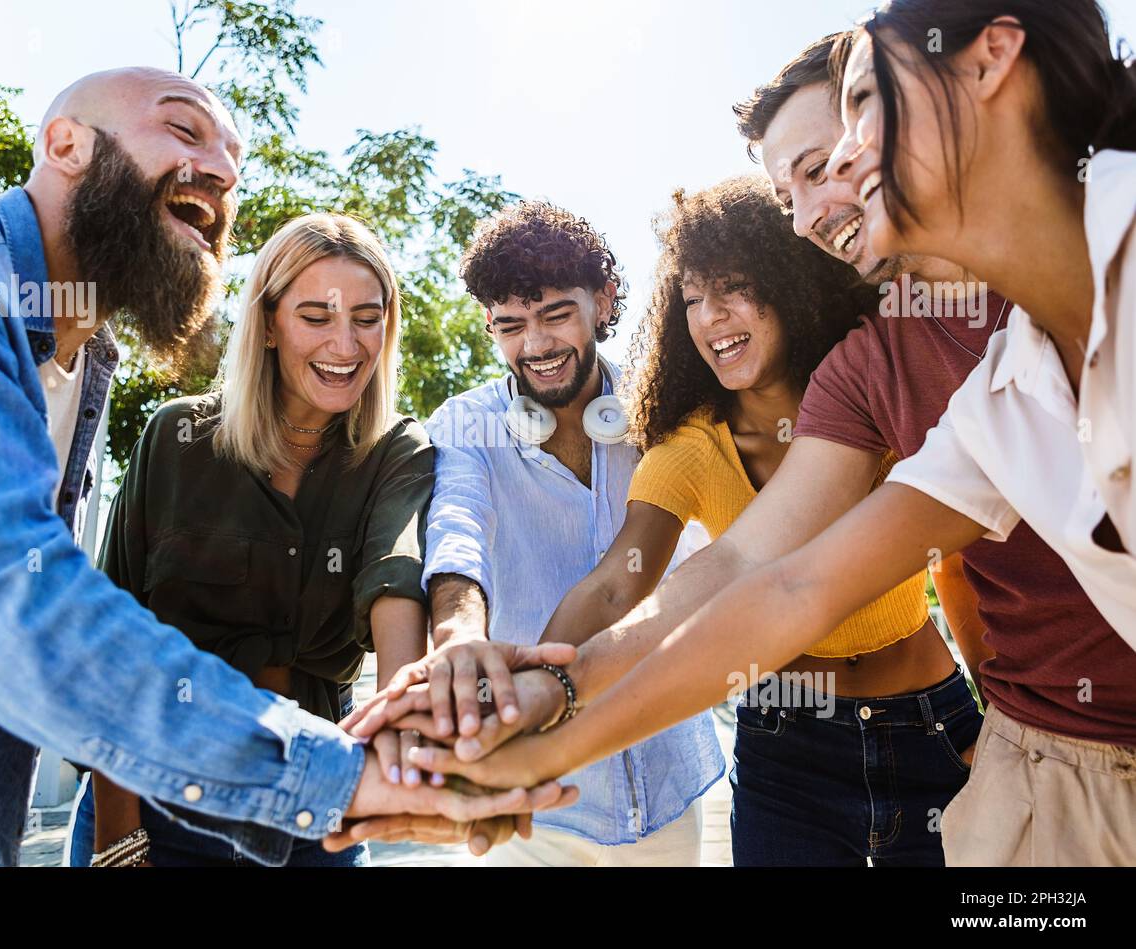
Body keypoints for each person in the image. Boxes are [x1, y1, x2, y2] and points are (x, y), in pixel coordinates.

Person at [344, 23, 1136, 866]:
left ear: (990, 65)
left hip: (957, 726)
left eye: (854, 126)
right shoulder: (970, 398)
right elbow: (773, 578)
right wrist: (540, 722)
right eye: (789, 190)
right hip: (1035, 762)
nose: (809, 211)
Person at [0, 67, 574, 865]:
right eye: (184, 131)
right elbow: (15, 599)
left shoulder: (82, 365)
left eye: (234, 159)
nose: (222, 171)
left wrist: (416, 735)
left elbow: (397, 580)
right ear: (64, 143)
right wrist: (330, 782)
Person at [538, 175, 979, 865]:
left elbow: (960, 561)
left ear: (790, 283)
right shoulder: (690, 447)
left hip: (934, 725)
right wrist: (533, 690)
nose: (710, 317)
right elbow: (616, 585)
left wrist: (1006, 723)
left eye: (732, 287)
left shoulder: (882, 397)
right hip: (787, 751)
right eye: (691, 299)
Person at [69, 212, 443, 866]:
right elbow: (113, 647)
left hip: (314, 817)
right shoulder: (176, 439)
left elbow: (396, 574)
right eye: (317, 317)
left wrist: (405, 720)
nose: (347, 345)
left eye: (366, 316)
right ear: (269, 324)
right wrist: (119, 841)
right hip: (153, 806)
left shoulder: (397, 452)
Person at [408, 200, 724, 865]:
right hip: (537, 792)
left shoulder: (662, 409)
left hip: (669, 774)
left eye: (557, 315)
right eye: (510, 325)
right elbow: (456, 529)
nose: (537, 346)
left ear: (605, 300)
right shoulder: (466, 424)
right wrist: (459, 634)